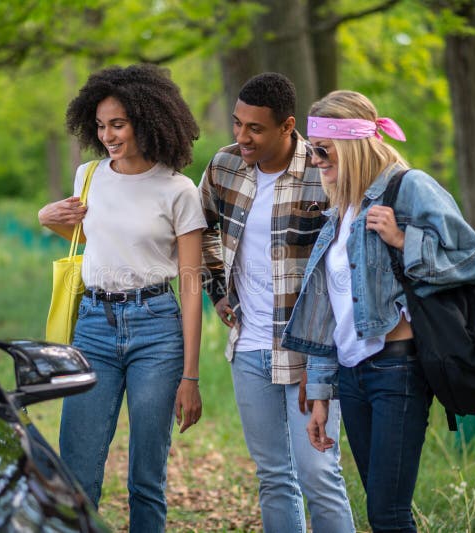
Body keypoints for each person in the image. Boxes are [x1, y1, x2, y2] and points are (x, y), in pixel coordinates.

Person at [282, 90, 475, 532]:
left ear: (354, 144)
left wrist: (402, 241)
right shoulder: (340, 208)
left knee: (387, 514)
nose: (315, 160)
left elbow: (470, 257)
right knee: (381, 507)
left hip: (397, 370)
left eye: (323, 150)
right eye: (311, 151)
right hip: (353, 375)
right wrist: (319, 392)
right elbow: (328, 307)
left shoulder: (408, 187)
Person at [37, 64, 205, 532]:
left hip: (157, 330)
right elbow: (96, 242)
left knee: (146, 478)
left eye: (118, 124)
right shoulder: (88, 176)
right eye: (100, 125)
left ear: (147, 120)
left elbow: (192, 288)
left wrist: (191, 375)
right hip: (93, 325)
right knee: (77, 470)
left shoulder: (178, 190)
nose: (107, 135)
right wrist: (47, 218)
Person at [200, 72, 355, 532]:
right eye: (237, 124)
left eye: (255, 128)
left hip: (311, 351)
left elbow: (344, 264)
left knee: (319, 474)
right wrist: (217, 289)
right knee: (273, 476)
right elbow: (202, 228)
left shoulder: (325, 169)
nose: (242, 137)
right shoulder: (225, 166)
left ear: (288, 126)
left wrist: (322, 356)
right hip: (249, 347)